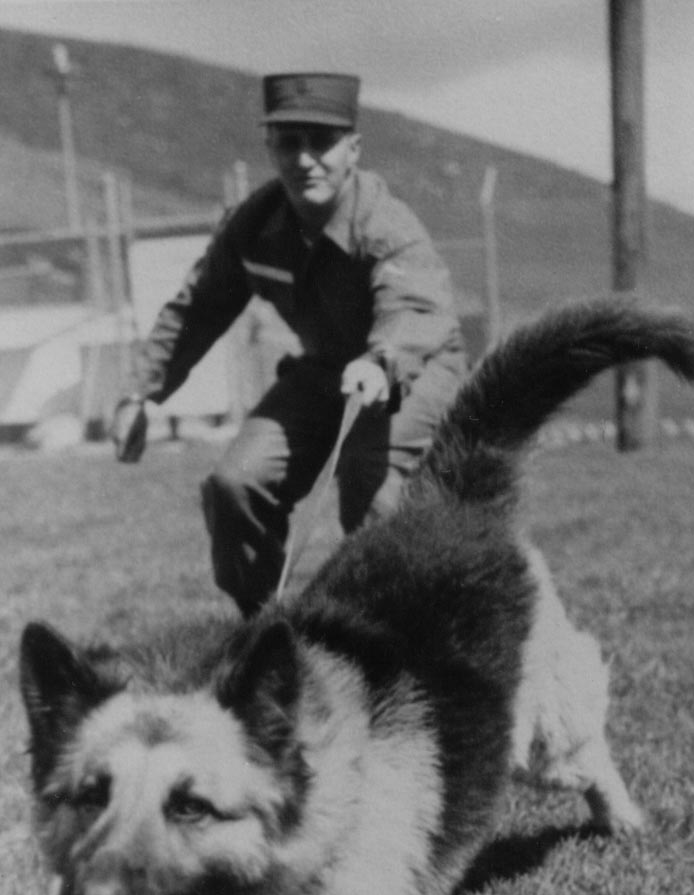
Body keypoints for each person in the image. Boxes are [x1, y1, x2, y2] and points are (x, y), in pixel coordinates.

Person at [113, 72, 468, 615]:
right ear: (269, 148)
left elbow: (415, 309)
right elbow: (197, 309)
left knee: (369, 490)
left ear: (353, 149)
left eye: (322, 142)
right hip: (325, 372)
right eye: (288, 142)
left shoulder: (385, 223)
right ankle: (264, 632)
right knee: (235, 485)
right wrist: (140, 393)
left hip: (411, 371)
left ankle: (394, 635)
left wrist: (381, 361)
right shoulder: (254, 225)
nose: (304, 160)